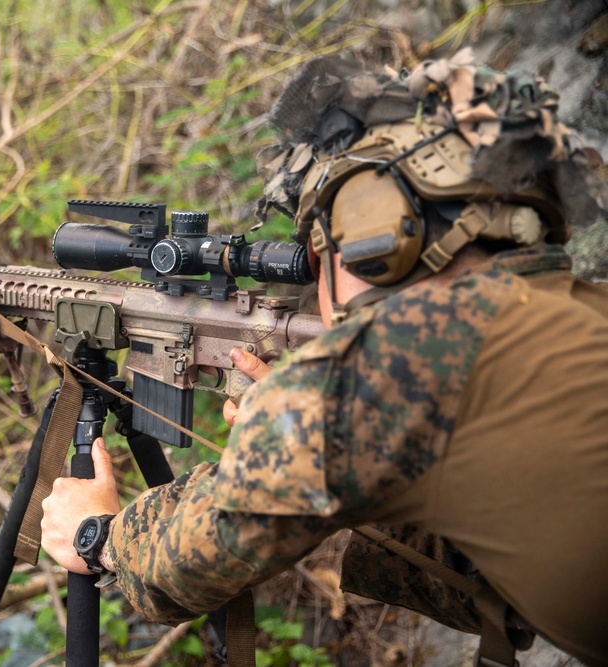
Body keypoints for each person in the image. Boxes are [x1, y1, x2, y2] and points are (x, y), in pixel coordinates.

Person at [40, 52, 608, 666]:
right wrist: (296, 433)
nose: (317, 276)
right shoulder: (583, 311)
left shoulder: (398, 354)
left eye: (320, 248)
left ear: (375, 241)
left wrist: (98, 535)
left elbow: (192, 559)